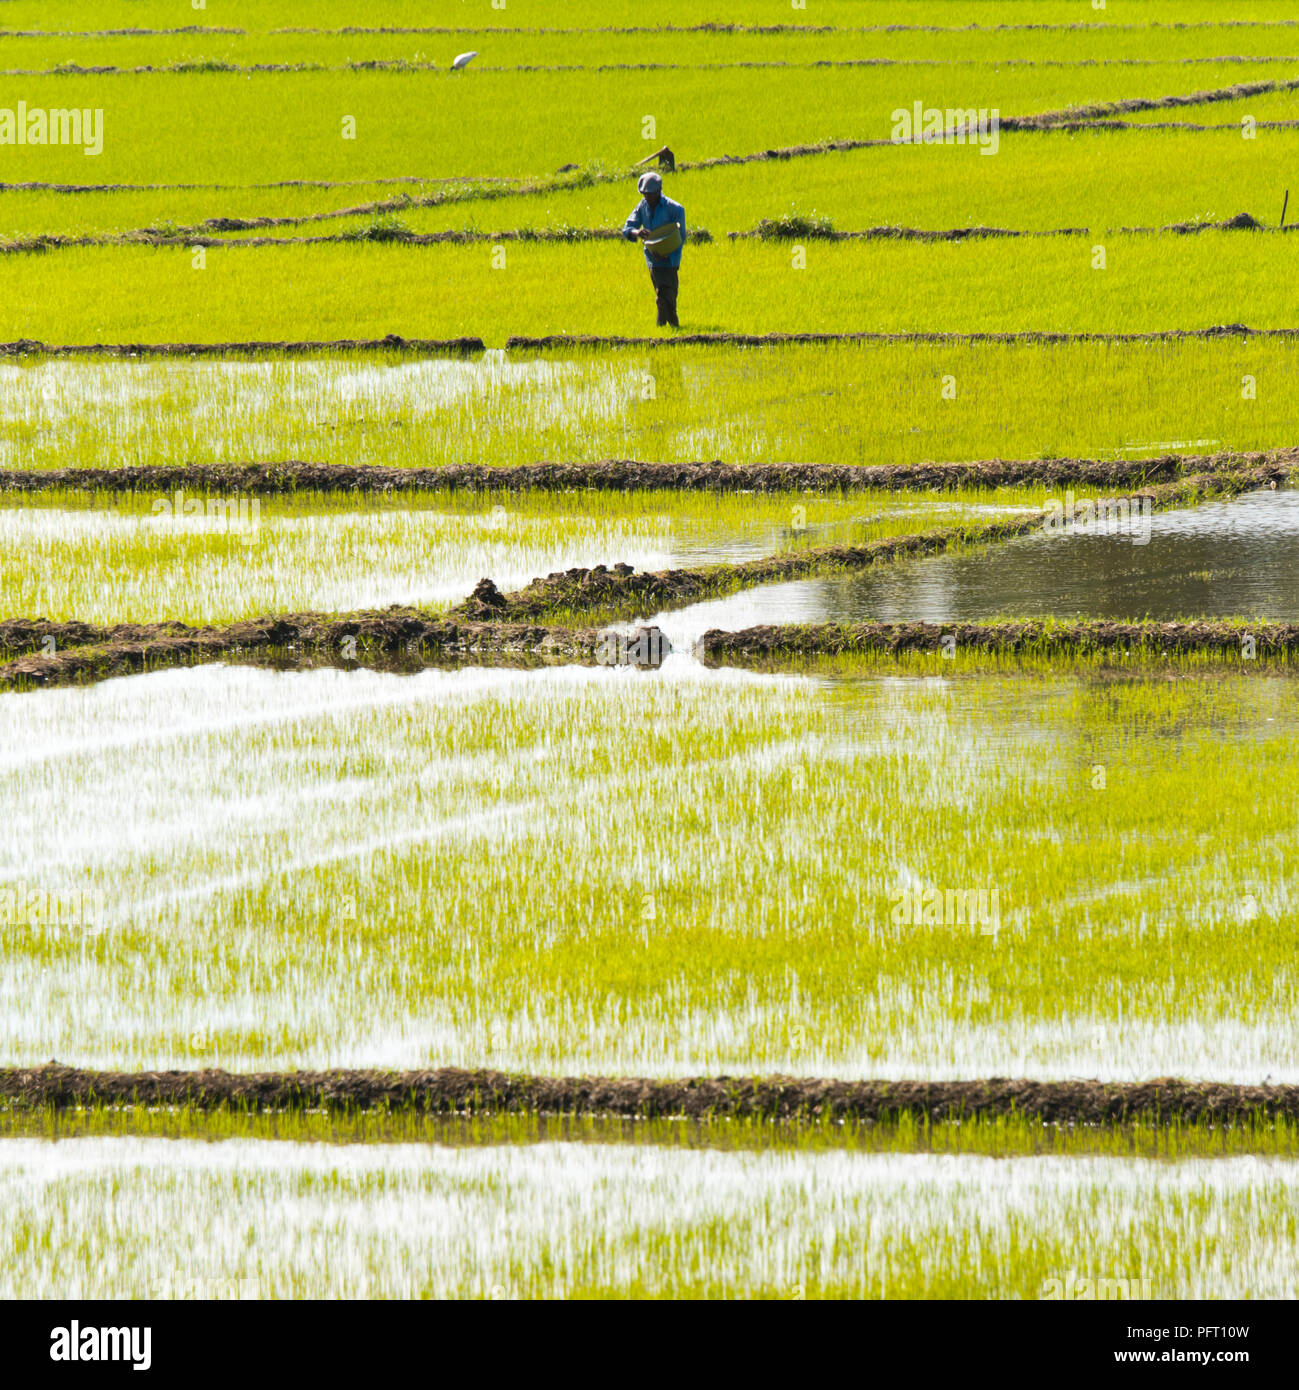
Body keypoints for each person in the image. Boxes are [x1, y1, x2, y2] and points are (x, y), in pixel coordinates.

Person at [622, 171, 686, 329]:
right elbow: (627, 228)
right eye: (644, 194)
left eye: (650, 194)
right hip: (652, 258)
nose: (647, 198)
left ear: (659, 191)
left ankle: (667, 328)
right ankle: (669, 328)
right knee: (663, 294)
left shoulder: (675, 209)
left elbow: (681, 237)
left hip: (670, 260)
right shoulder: (642, 206)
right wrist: (638, 233)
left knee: (667, 295)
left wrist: (666, 252)